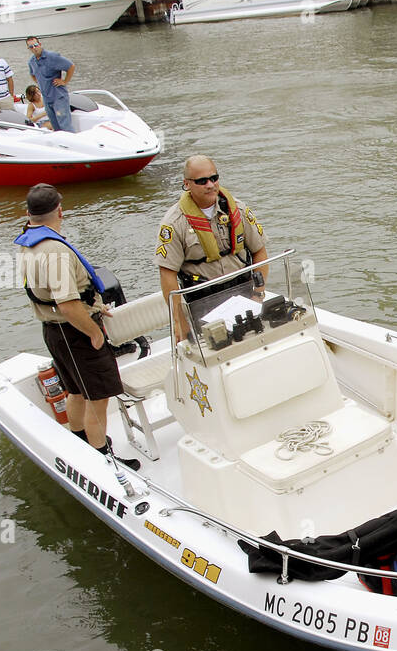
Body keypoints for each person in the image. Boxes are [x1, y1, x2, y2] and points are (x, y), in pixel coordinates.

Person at [16, 183, 140, 470]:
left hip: (54, 332)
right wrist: (94, 331)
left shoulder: (28, 244)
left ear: (29, 214)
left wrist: (96, 307)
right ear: (60, 210)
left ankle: (79, 439)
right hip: (75, 332)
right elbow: (68, 304)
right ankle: (101, 457)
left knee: (75, 390)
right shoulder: (55, 250)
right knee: (98, 396)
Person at [155, 155, 269, 341]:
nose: (210, 185)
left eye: (214, 178)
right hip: (204, 304)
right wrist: (179, 322)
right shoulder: (174, 223)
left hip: (245, 294)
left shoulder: (238, 210)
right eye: (202, 181)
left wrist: (258, 293)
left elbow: (259, 251)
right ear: (187, 184)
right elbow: (167, 274)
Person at [26, 36, 76, 133]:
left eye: (35, 45)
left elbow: (71, 66)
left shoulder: (52, 57)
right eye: (31, 47)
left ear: (40, 44)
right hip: (46, 99)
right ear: (28, 49)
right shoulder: (31, 62)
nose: (34, 48)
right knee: (55, 127)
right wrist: (41, 82)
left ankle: (74, 145)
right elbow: (32, 74)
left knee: (65, 126)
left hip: (58, 97)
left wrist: (65, 81)